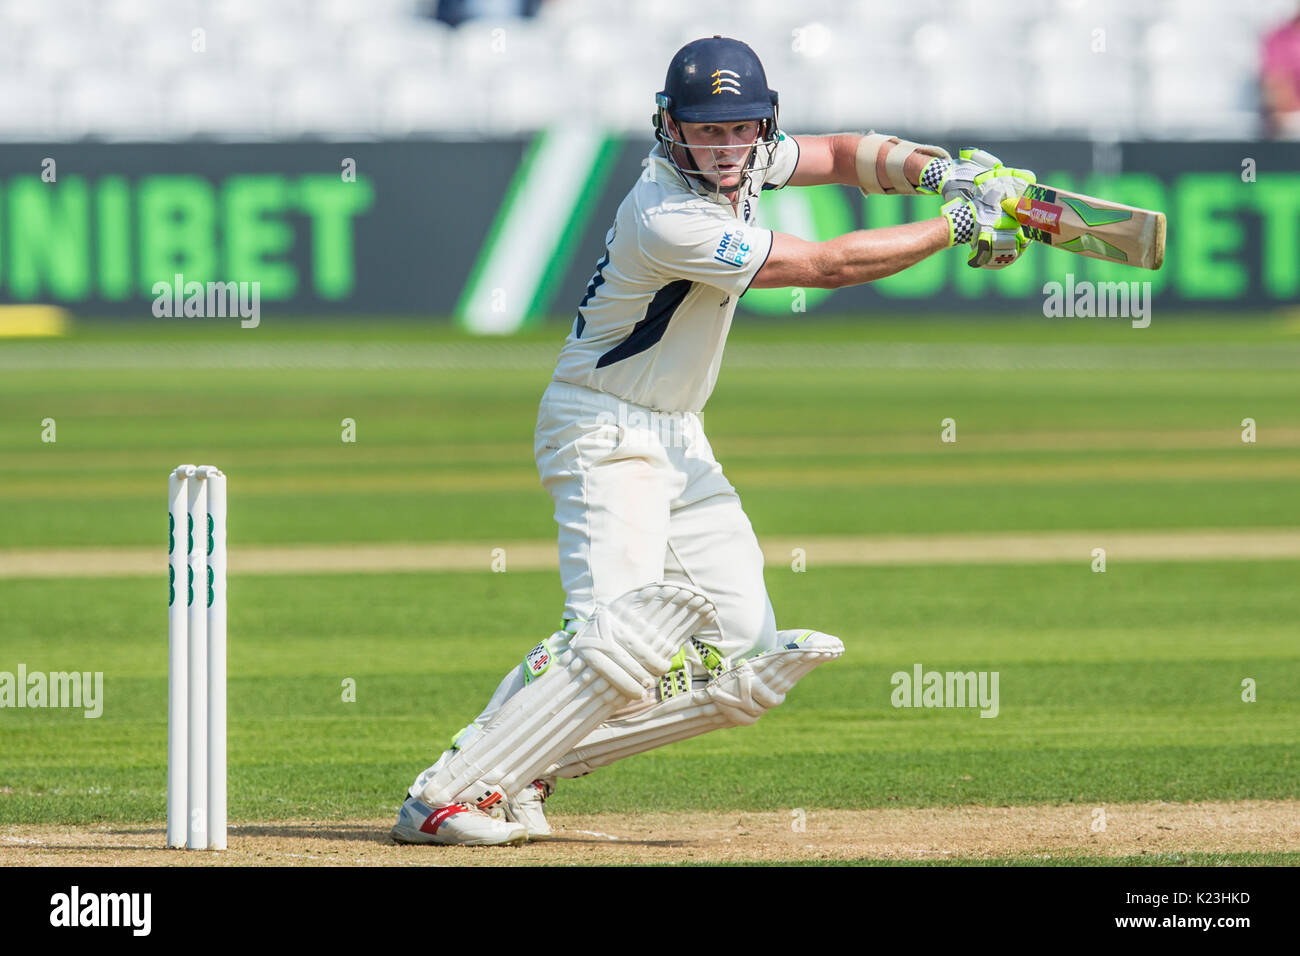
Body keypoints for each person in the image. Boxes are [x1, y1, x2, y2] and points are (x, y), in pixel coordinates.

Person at [392, 35, 1036, 846]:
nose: (726, 147)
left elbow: (841, 153)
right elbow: (828, 265)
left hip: (678, 437)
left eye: (741, 130)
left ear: (761, 125)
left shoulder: (744, 158)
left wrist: (936, 169)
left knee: (737, 649)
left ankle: (523, 773)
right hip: (602, 428)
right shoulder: (667, 216)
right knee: (612, 642)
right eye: (707, 130)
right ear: (671, 127)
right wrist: (956, 220)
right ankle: (443, 797)